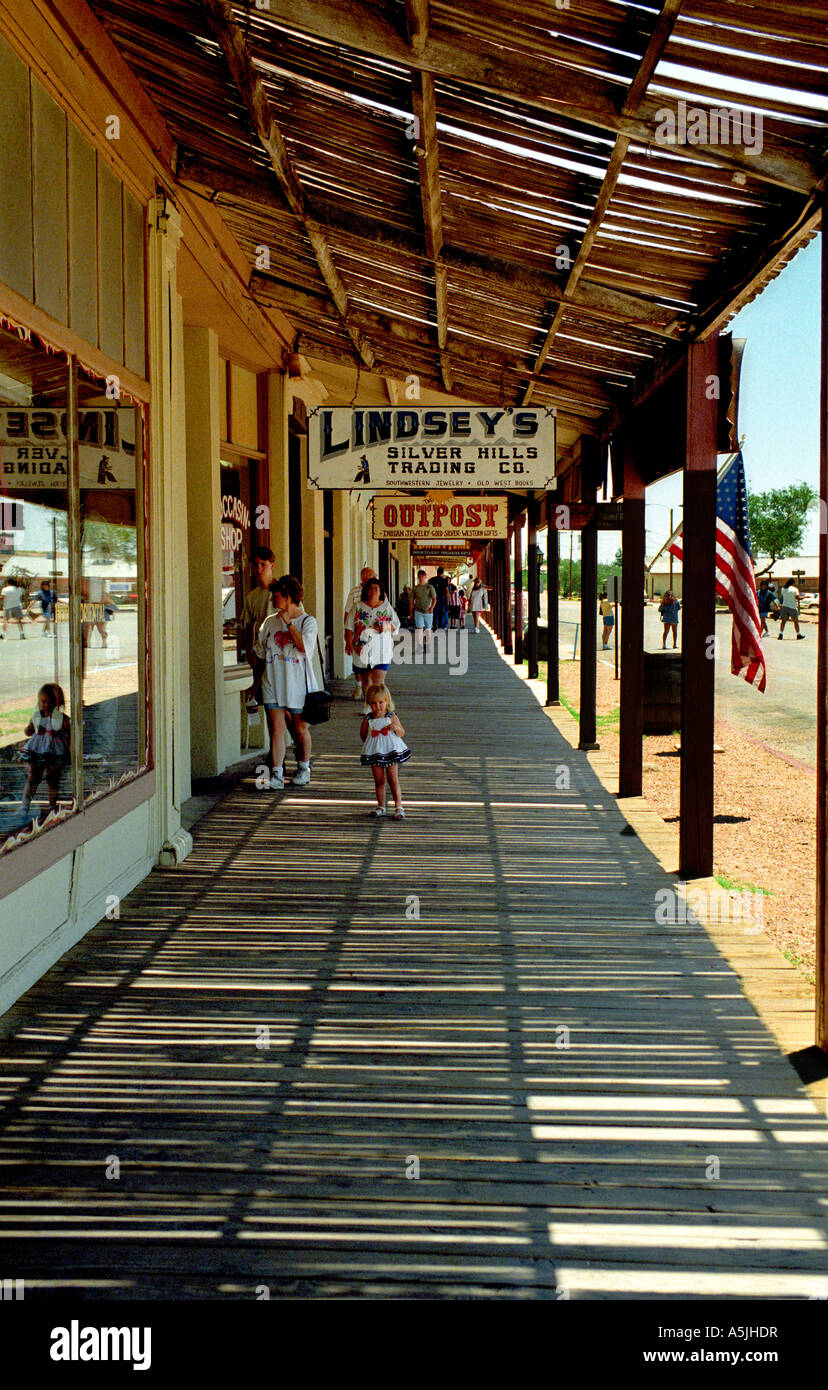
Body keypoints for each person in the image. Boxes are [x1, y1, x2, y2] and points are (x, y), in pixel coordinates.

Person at [252, 575, 317, 790]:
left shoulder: (308, 622)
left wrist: (288, 622)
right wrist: (255, 683)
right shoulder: (269, 622)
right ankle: (277, 774)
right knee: (276, 730)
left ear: (288, 597)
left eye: (277, 596)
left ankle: (303, 767)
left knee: (300, 729)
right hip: (272, 682)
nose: (273, 600)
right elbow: (260, 653)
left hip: (297, 685)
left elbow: (302, 647)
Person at [347, 578, 400, 710]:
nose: (374, 590)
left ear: (381, 591)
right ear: (366, 591)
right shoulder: (358, 607)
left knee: (379, 681)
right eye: (371, 588)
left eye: (376, 588)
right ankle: (368, 706)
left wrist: (384, 626)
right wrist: (347, 642)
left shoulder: (386, 607)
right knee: (366, 679)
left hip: (381, 649)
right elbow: (348, 627)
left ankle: (384, 706)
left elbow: (396, 625)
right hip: (362, 648)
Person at [20, 683, 70, 821]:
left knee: (52, 780)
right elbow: (28, 730)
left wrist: (61, 732)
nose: (46, 706)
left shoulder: (62, 719)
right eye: (43, 702)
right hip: (37, 752)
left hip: (55, 753)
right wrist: (32, 730)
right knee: (32, 778)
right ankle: (24, 806)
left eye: (50, 702)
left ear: (58, 703)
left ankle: (52, 806)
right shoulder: (37, 717)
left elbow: (70, 734)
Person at [360, 681, 410, 819]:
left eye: (381, 702)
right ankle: (381, 805)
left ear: (387, 702)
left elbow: (402, 732)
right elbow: (363, 735)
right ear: (369, 704)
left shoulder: (391, 717)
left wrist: (396, 729)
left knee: (393, 779)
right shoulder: (368, 719)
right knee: (379, 780)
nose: (377, 706)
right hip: (376, 753)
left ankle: (398, 806)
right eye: (373, 703)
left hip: (390, 752)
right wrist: (371, 744)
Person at [345, 566, 376, 699]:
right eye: (372, 576)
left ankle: (369, 689)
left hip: (373, 633)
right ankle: (359, 685)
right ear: (364, 577)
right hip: (357, 632)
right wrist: (347, 634)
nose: (374, 579)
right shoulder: (354, 592)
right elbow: (347, 611)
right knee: (357, 661)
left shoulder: (377, 591)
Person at [412, 568, 436, 650]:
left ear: (425, 577)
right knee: (419, 629)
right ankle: (419, 646)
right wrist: (411, 613)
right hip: (418, 611)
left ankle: (427, 644)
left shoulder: (429, 587)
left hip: (428, 611)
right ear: (418, 577)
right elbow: (411, 601)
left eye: (422, 576)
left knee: (428, 629)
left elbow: (434, 599)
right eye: (419, 576)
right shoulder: (415, 588)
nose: (421, 578)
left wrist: (432, 608)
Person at [431, 566, 450, 630]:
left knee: (434, 612)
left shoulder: (431, 580)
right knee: (441, 613)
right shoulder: (444, 580)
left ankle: (434, 625)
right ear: (443, 573)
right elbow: (447, 591)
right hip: (442, 599)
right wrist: (448, 602)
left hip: (433, 598)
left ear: (437, 572)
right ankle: (440, 626)